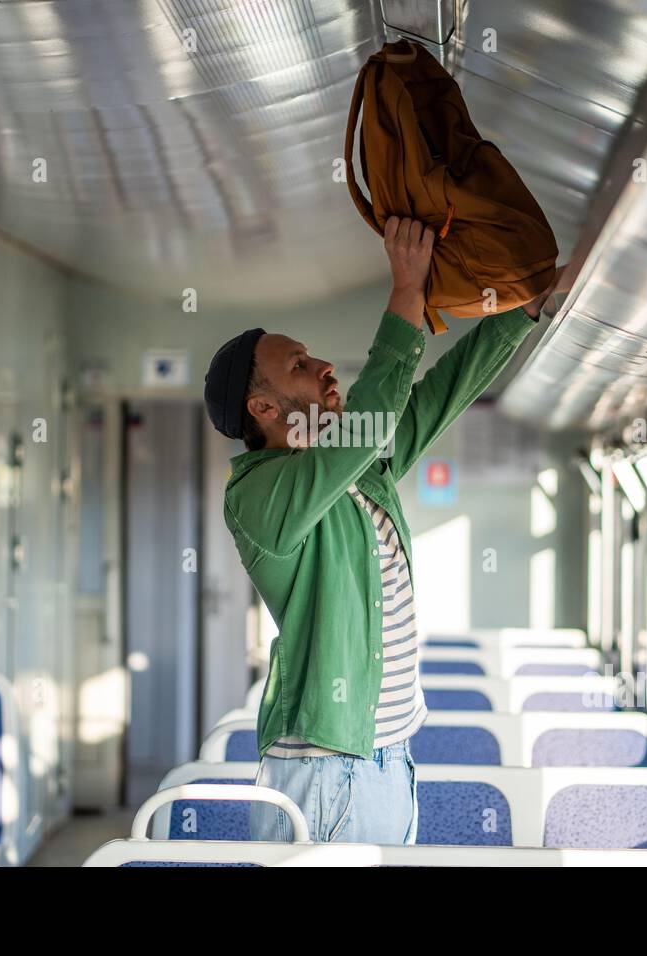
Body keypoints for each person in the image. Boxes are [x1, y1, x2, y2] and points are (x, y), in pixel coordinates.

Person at [203, 215, 560, 844]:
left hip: (389, 757)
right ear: (263, 408)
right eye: (299, 366)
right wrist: (406, 294)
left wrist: (524, 312)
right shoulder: (257, 495)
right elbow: (366, 425)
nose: (322, 367)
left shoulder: (361, 467)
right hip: (323, 771)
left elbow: (435, 397)